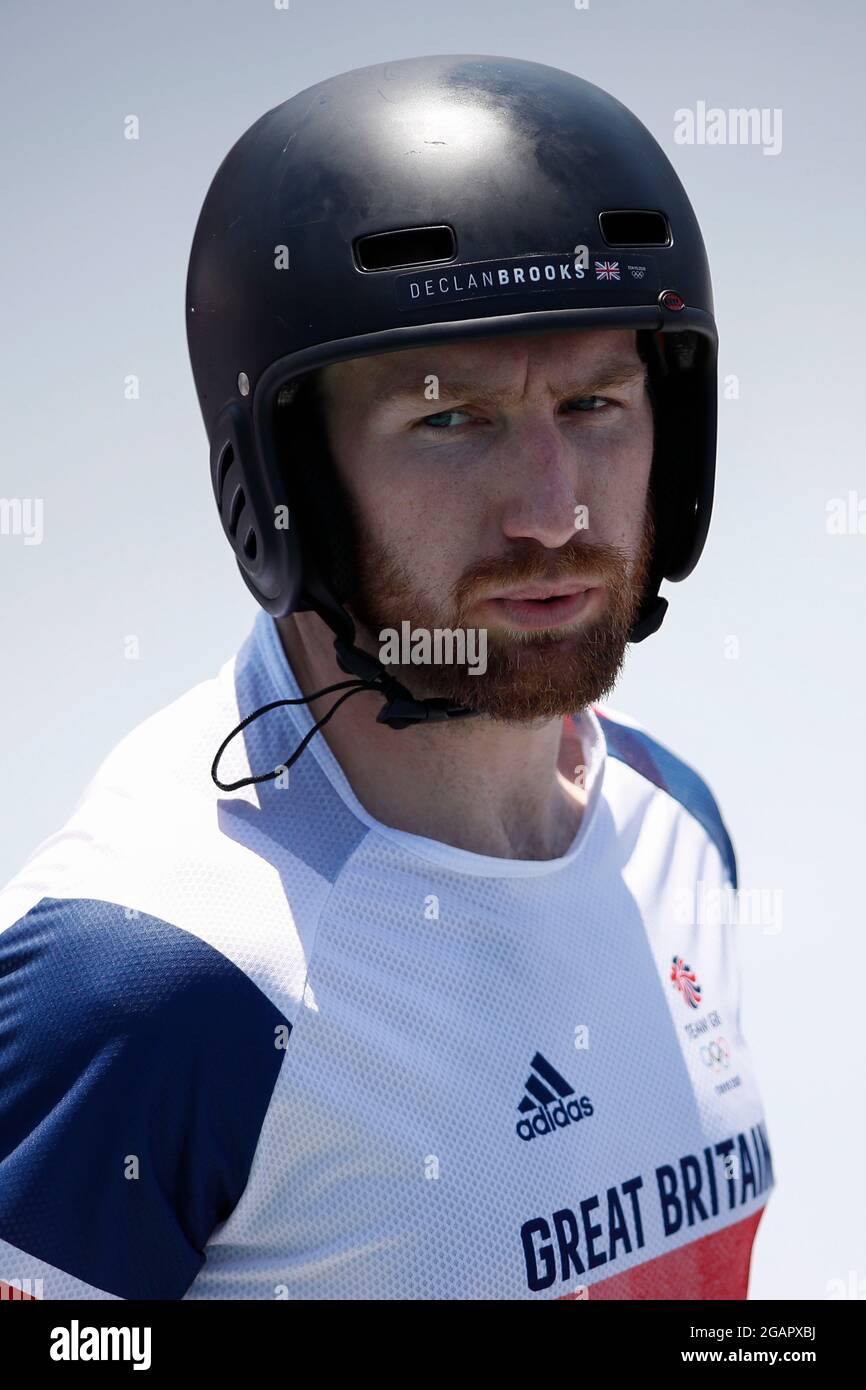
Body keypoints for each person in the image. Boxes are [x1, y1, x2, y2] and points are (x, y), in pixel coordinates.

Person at [0, 54, 773, 1301]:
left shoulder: (675, 825)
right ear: (284, 483)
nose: (550, 509)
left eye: (592, 403)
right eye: (447, 420)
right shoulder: (154, 977)